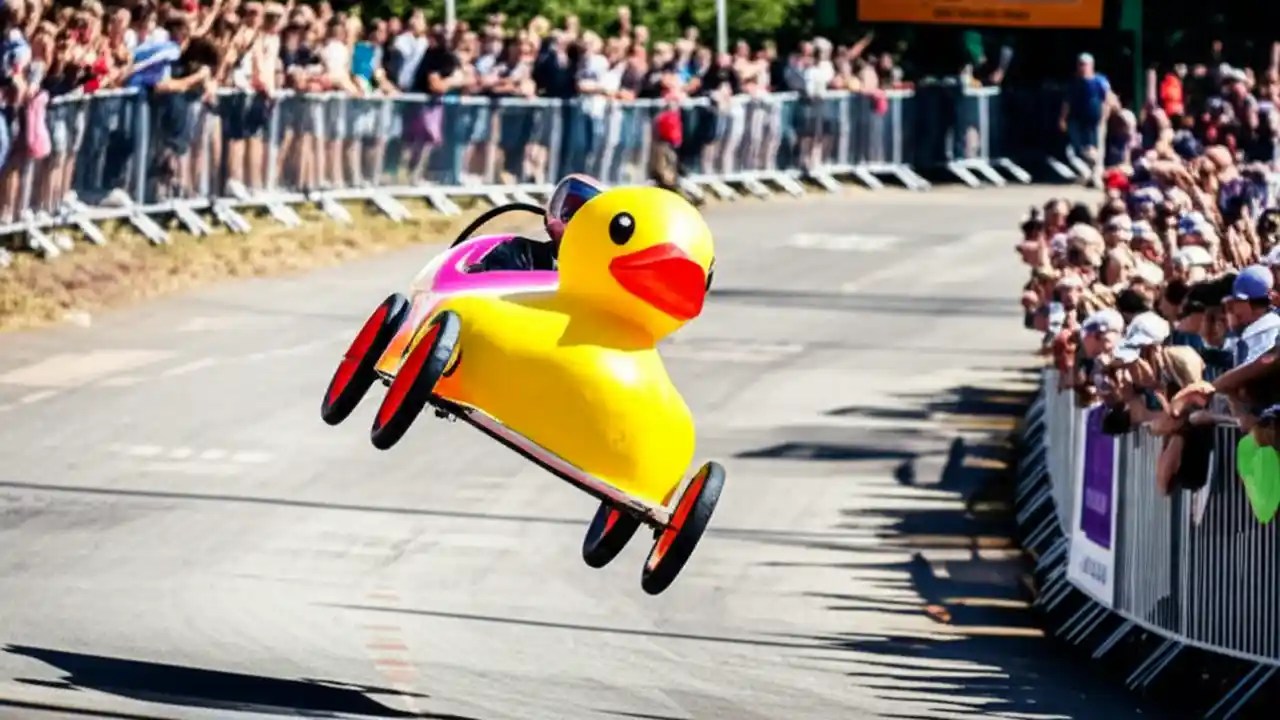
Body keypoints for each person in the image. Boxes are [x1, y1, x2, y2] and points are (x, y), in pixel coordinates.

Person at [465, 174, 604, 273]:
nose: (574, 222)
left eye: (584, 216)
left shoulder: (609, 272)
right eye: (568, 213)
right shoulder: (519, 255)